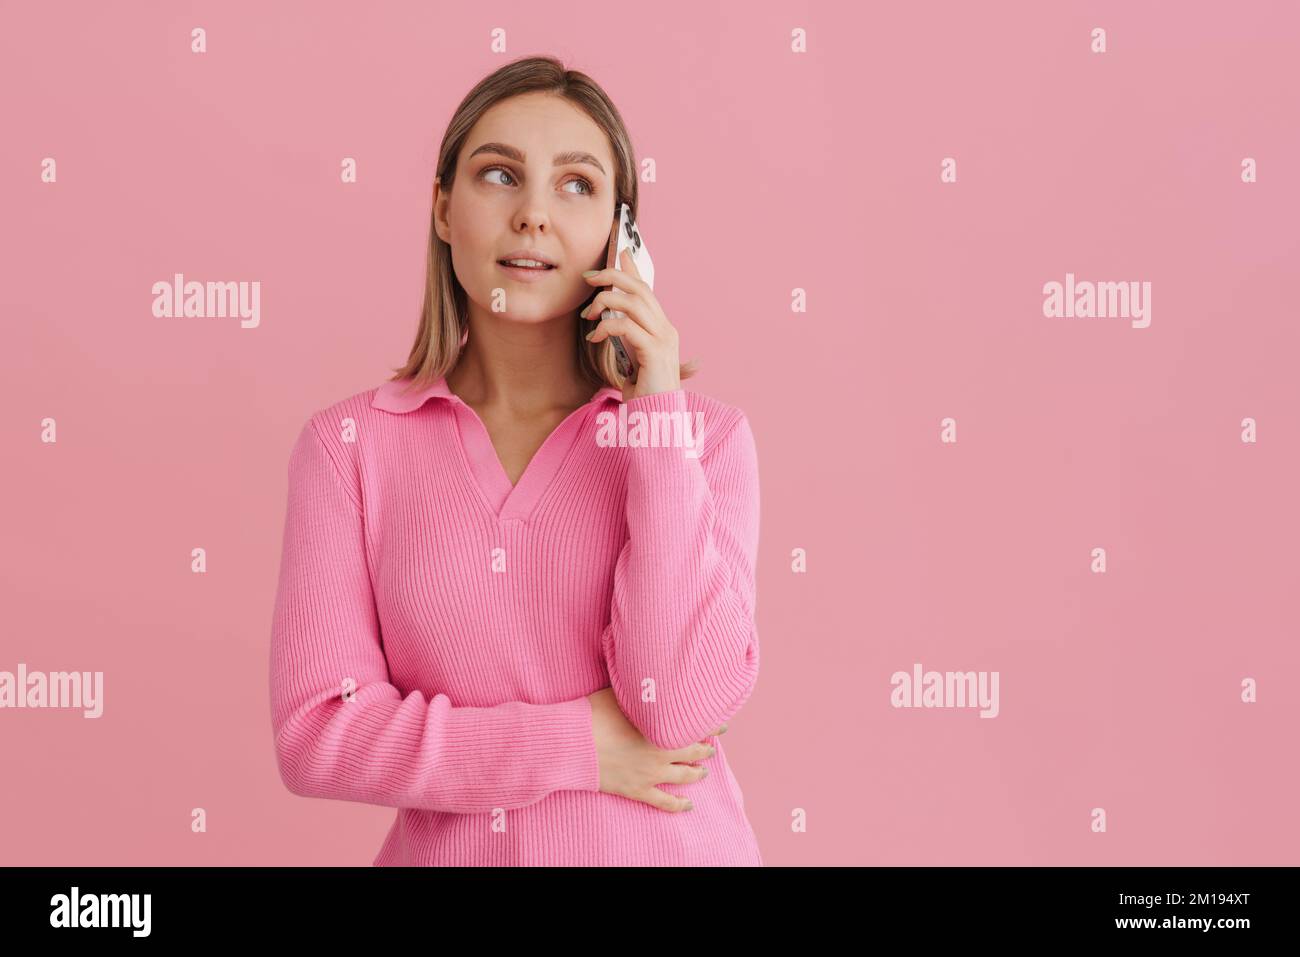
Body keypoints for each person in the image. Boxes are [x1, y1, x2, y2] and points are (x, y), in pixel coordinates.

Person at [269, 55, 763, 866]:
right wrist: (574, 743)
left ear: (622, 233)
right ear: (441, 208)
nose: (534, 214)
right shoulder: (348, 448)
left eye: (577, 185)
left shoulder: (702, 440)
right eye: (500, 175)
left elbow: (673, 706)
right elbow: (319, 731)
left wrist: (655, 410)